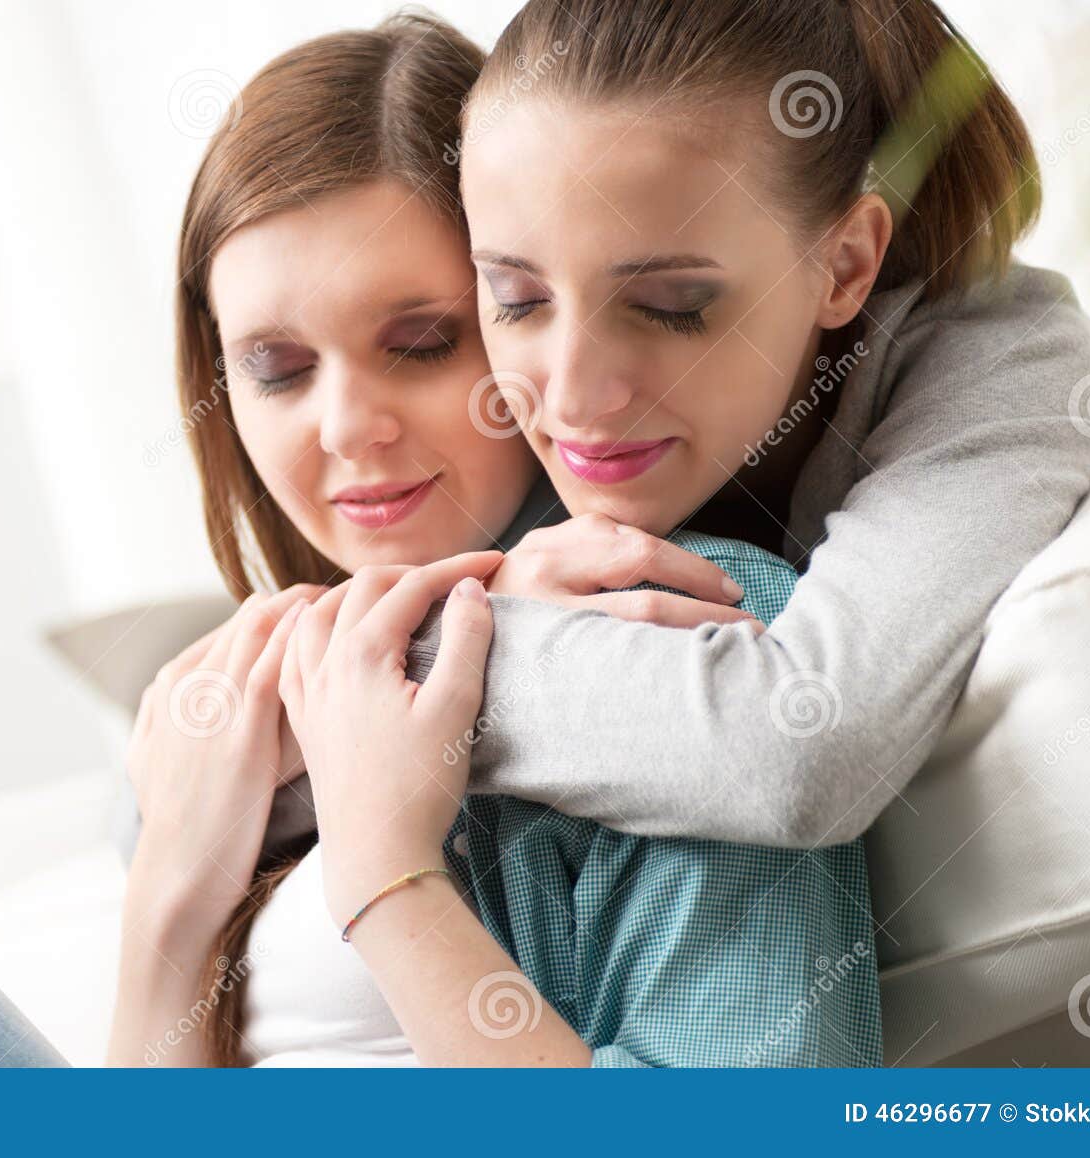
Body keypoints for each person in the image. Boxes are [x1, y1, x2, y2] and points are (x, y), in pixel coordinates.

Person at [107, 12, 877, 1068]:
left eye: (421, 343)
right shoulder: (223, 713)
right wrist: (166, 905)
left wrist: (387, 866)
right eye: (277, 370)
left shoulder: (665, 633)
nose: (343, 427)